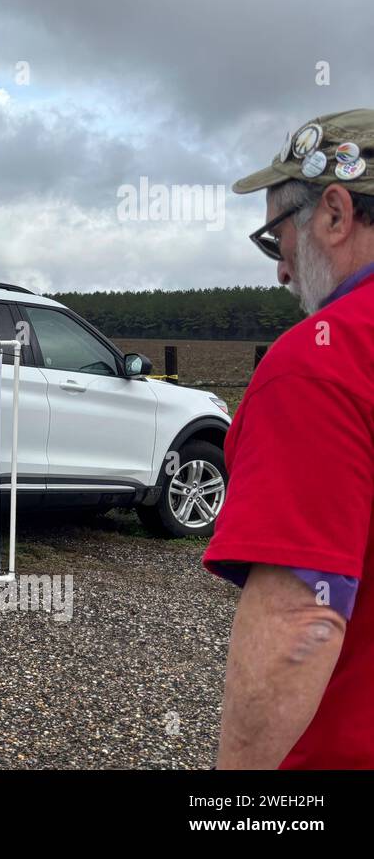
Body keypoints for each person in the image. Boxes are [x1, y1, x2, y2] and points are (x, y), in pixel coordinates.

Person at [205, 108, 374, 769]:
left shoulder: (322, 361)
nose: (279, 271)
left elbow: (300, 619)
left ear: (335, 213)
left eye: (276, 239)